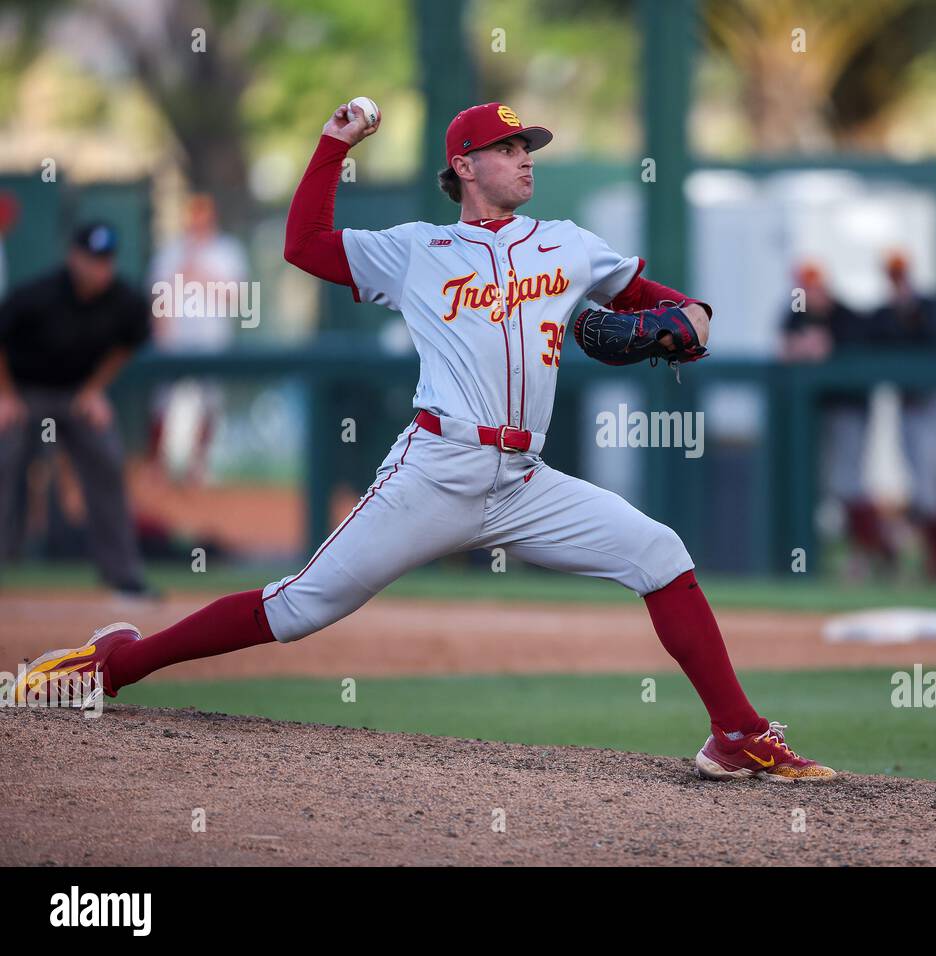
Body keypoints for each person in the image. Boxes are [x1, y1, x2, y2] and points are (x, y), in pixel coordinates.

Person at [16, 102, 834, 782]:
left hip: (524, 479)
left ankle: (736, 736)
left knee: (660, 553)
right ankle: (116, 664)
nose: (525, 158)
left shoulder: (568, 241)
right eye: (509, 147)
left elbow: (638, 290)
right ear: (465, 166)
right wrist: (334, 145)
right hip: (435, 470)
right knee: (300, 608)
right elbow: (303, 246)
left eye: (529, 146)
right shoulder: (416, 250)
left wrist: (690, 310)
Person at [0, 222, 154, 597]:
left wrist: (95, 389)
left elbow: (130, 342)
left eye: (107, 261)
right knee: (6, 460)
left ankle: (122, 574)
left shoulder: (124, 300)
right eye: (93, 259)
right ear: (74, 258)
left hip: (75, 396)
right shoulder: (37, 295)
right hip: (25, 392)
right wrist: (5, 395)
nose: (101, 269)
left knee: (108, 460)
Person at [780, 262, 895, 573]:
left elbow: (824, 351)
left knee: (848, 482)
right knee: (828, 485)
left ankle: (872, 552)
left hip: (851, 410)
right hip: (817, 413)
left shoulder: (847, 317)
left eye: (814, 286)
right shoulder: (796, 312)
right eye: (804, 286)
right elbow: (785, 350)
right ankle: (878, 549)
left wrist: (813, 349)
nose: (809, 292)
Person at [865, 251, 936, 580]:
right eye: (892, 276)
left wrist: (908, 312)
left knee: (930, 486)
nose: (897, 282)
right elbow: (864, 338)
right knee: (922, 486)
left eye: (901, 275)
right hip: (908, 405)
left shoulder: (929, 306)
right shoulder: (883, 314)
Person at [146, 194, 248, 485]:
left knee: (210, 400)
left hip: (211, 338)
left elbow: (237, 297)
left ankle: (199, 466)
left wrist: (201, 275)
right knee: (162, 400)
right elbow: (158, 297)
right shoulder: (170, 252)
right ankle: (156, 465)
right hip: (175, 339)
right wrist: (161, 332)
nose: (197, 222)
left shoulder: (227, 251)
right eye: (193, 215)